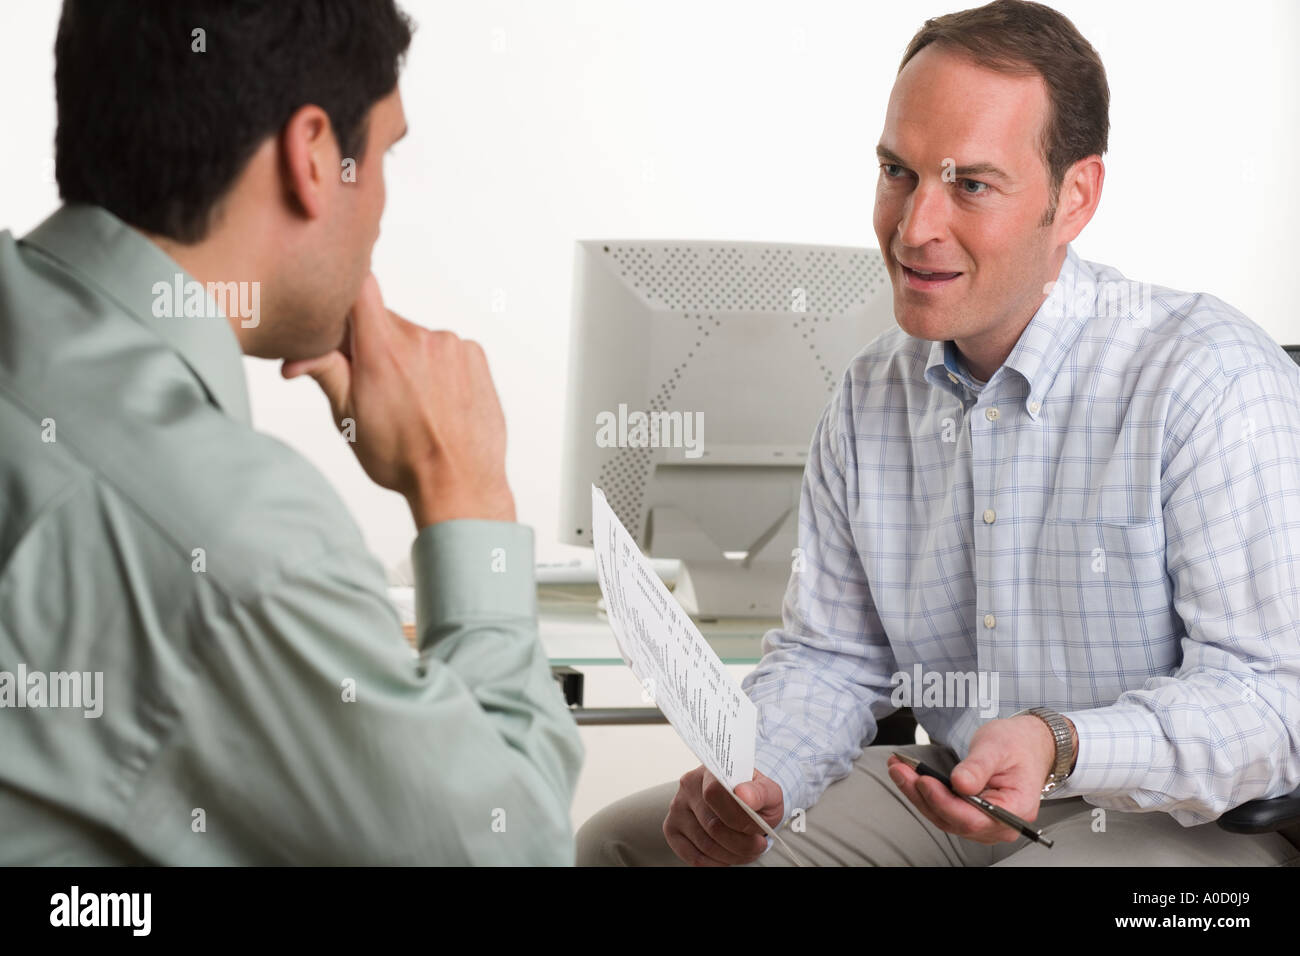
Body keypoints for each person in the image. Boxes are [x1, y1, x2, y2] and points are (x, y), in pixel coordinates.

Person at [576, 0, 1300, 867]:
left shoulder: (1206, 377)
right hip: (949, 796)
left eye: (970, 184)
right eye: (897, 171)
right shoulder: (871, 394)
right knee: (626, 848)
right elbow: (831, 657)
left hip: (1167, 820)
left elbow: (1272, 701)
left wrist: (1059, 743)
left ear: (1075, 197)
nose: (914, 228)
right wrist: (763, 770)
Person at [0, 0, 582, 864]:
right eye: (384, 154)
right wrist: (464, 491)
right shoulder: (238, 540)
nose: (381, 206)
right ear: (313, 156)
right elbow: (511, 849)